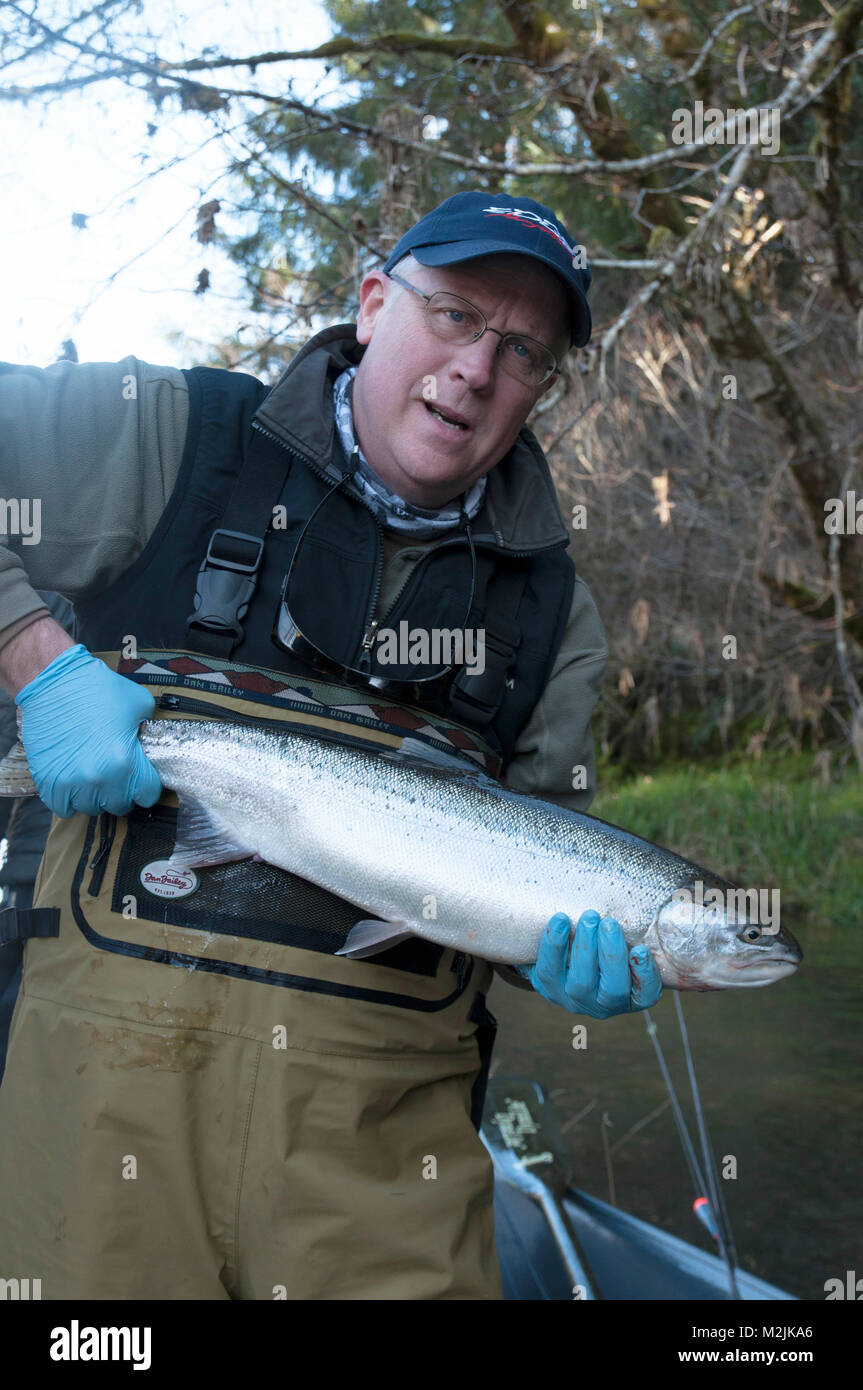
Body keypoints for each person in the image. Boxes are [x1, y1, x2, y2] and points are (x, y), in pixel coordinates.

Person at [0, 191, 661, 1299]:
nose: (474, 368)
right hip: (87, 1150)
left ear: (537, 388)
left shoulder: (556, 618)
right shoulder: (168, 436)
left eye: (520, 351)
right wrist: (36, 661)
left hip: (384, 1187)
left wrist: (564, 964)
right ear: (369, 304)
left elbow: (521, 882)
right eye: (450, 314)